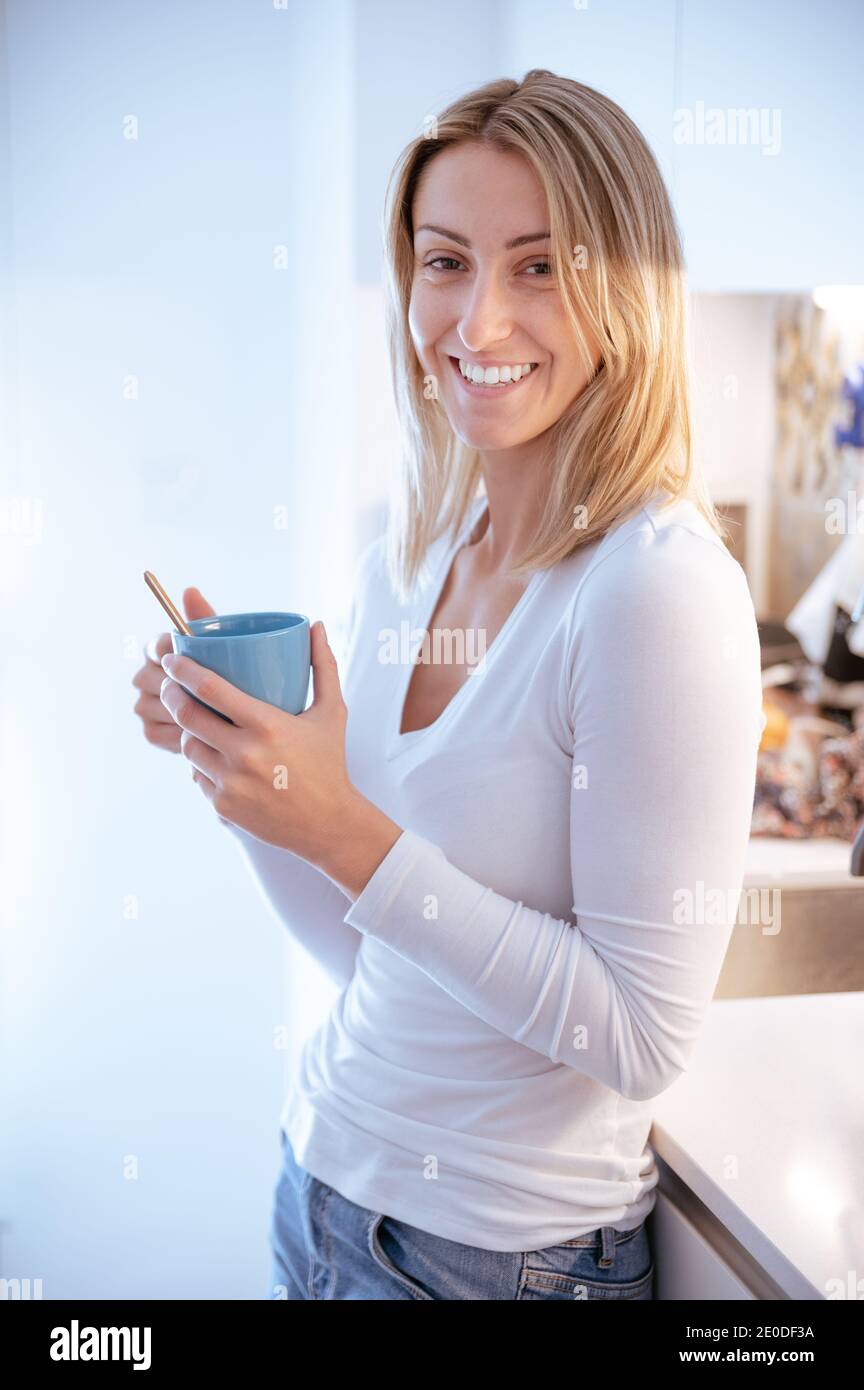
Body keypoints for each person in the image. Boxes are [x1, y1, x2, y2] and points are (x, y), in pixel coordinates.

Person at [132, 70, 763, 1300]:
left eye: (538, 266)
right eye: (443, 261)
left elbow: (639, 1036)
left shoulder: (655, 592)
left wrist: (350, 832)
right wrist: (248, 777)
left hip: (493, 1261)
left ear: (623, 290)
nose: (476, 323)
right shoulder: (410, 555)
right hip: (320, 1193)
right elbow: (372, 955)